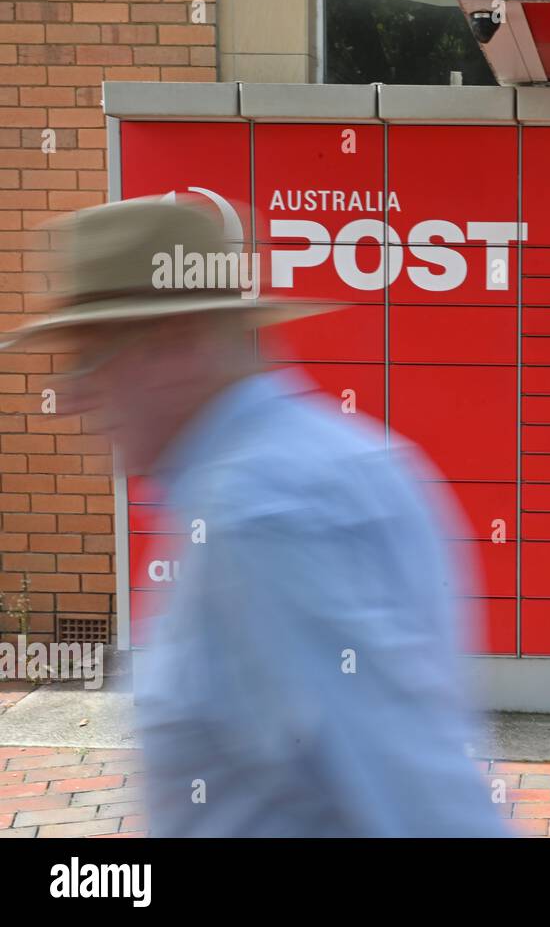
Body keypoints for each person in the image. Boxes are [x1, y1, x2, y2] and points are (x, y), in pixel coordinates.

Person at [2, 196, 506, 837]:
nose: (69, 395)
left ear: (175, 341)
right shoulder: (343, 462)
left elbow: (420, 806)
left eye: (89, 356)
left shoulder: (260, 516)